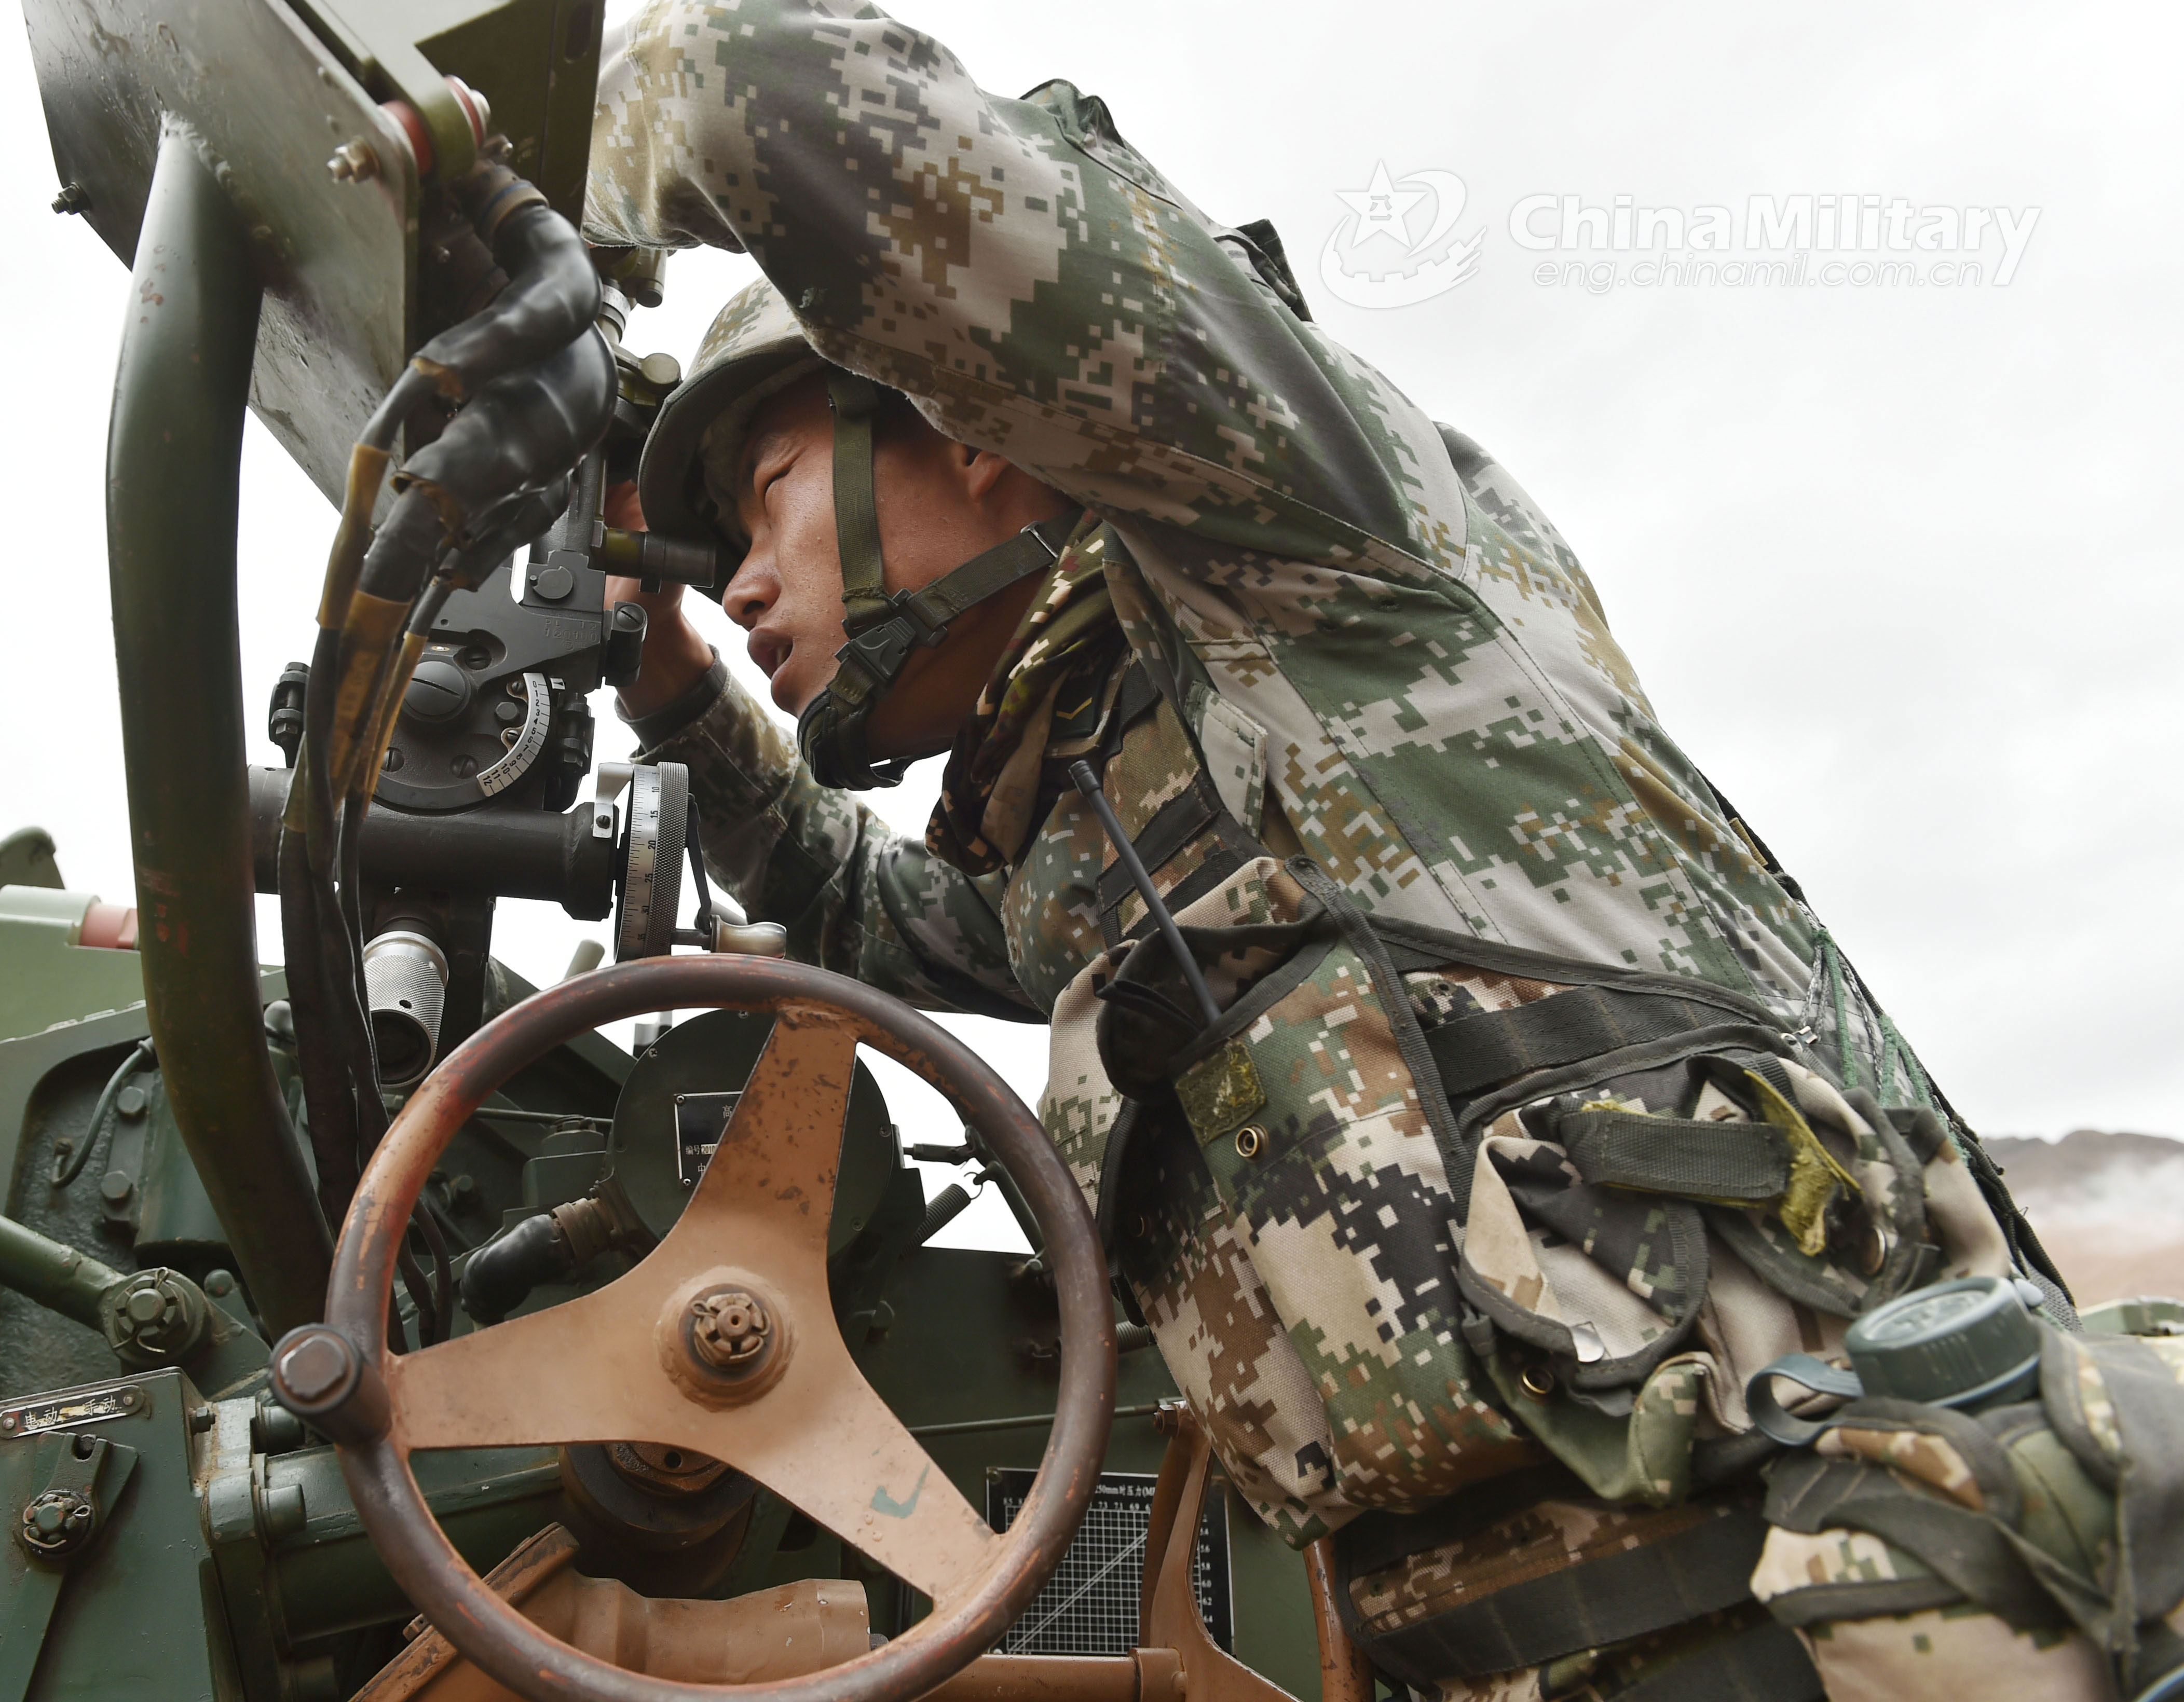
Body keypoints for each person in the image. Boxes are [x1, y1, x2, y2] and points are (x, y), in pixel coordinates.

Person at [580, 5, 2178, 1697]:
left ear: (966, 422)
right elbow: (858, 905)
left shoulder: (1295, 560)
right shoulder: (1111, 810)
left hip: (1856, 1608)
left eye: (765, 495)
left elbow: (758, 90)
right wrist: (669, 685)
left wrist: (541, 222)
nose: (739, 581)